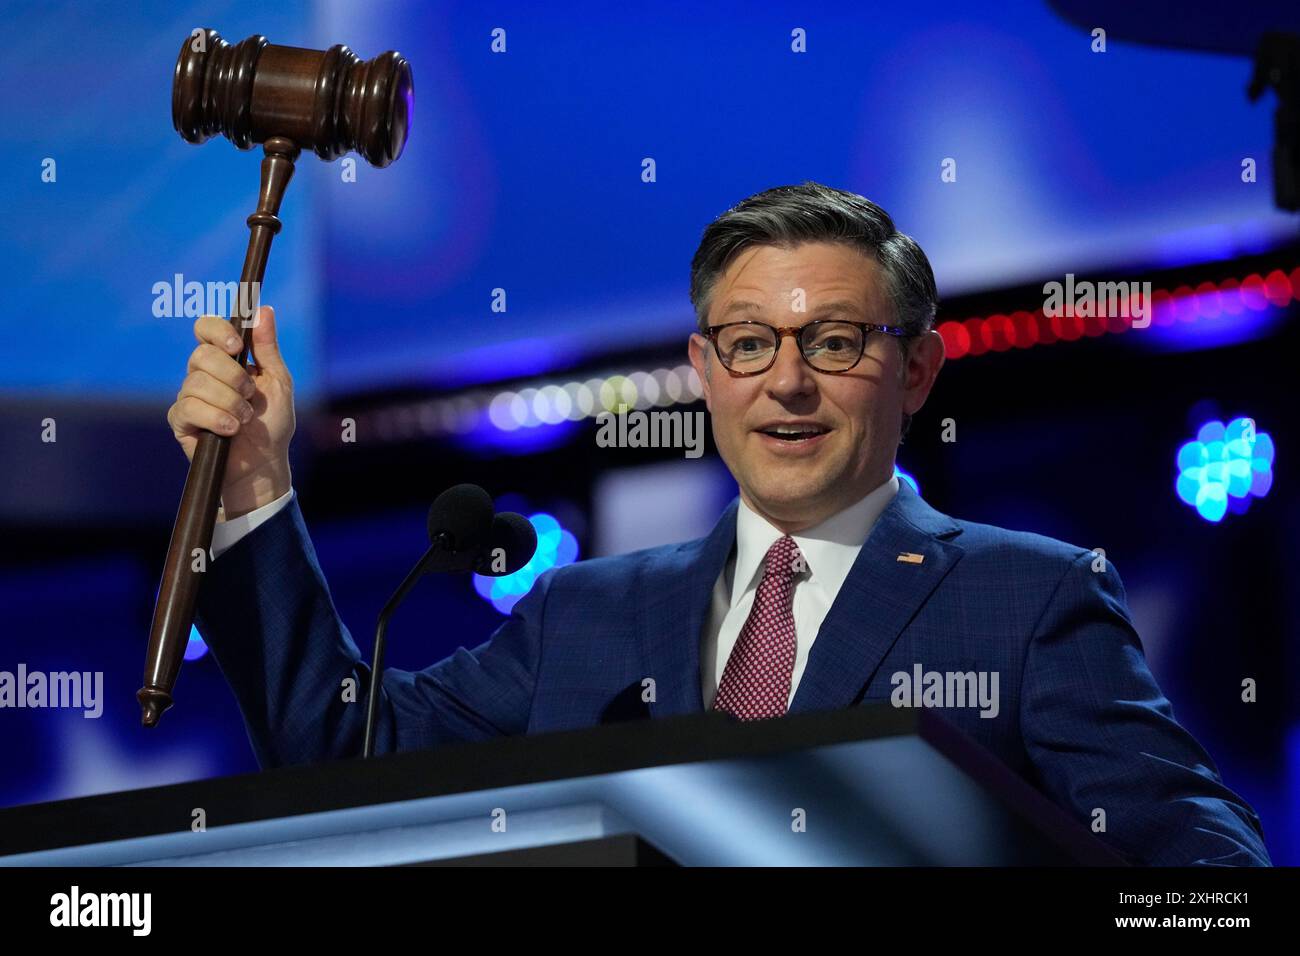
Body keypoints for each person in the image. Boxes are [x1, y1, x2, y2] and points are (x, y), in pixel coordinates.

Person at [169, 182, 1270, 866]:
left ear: (918, 368)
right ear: (703, 371)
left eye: (833, 342)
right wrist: (257, 483)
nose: (785, 384)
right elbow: (343, 750)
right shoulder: (583, 613)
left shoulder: (1027, 598)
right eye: (747, 344)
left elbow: (1210, 878)